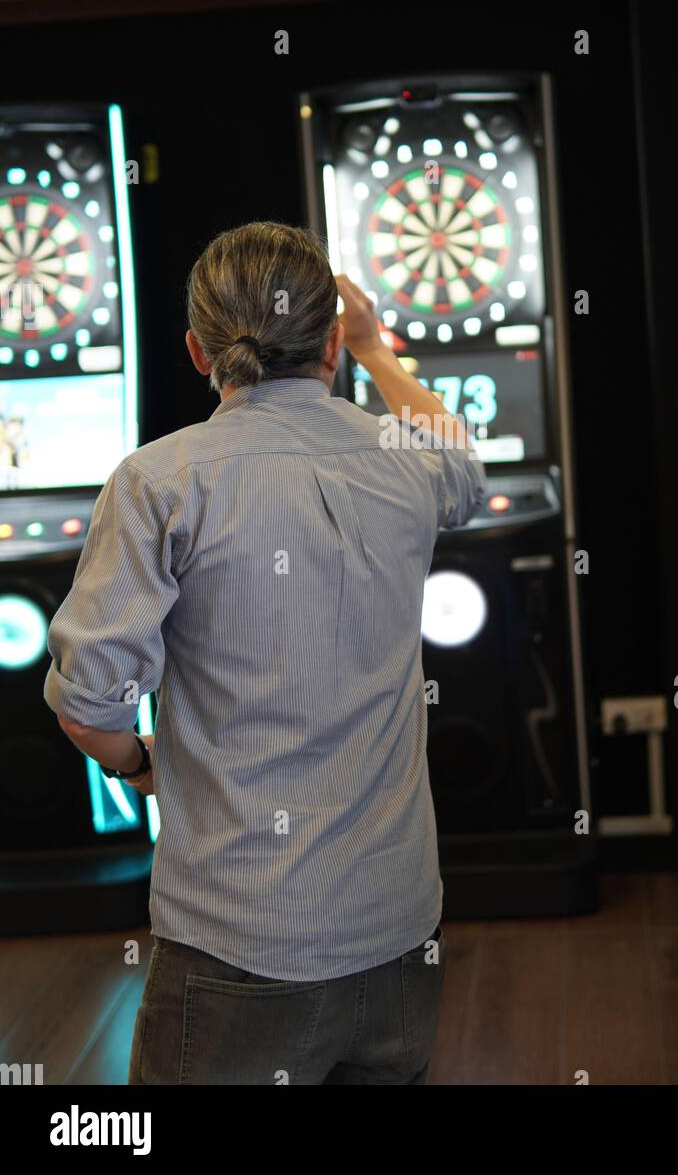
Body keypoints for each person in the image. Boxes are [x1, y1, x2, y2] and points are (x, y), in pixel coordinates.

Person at [43, 222, 486, 1085]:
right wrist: (374, 346)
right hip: (398, 932)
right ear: (328, 342)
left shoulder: (161, 480)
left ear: (197, 352)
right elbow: (464, 464)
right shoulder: (402, 464)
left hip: (238, 941)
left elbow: (86, 703)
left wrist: (140, 766)